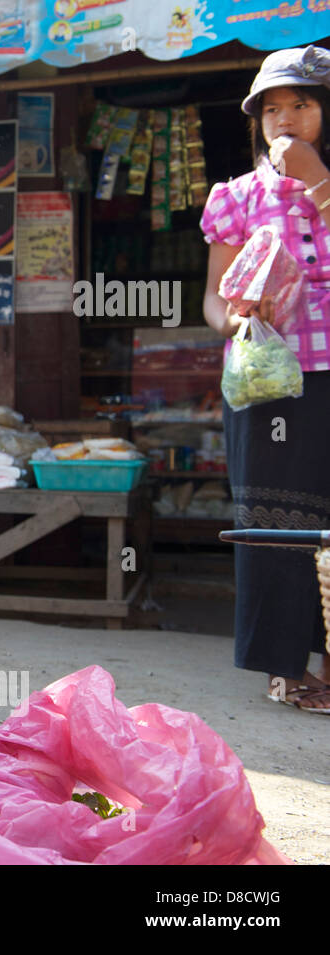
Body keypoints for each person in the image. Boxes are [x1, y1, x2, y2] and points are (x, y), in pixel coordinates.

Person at [201, 45, 330, 713]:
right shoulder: (237, 198)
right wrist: (238, 319)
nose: (284, 120)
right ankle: (285, 669)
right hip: (272, 381)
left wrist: (315, 180)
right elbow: (212, 301)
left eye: (301, 105)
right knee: (279, 522)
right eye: (271, 109)